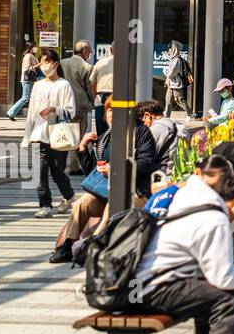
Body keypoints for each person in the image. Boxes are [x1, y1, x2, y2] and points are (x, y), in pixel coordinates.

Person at [131, 170, 234, 334]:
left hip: (143, 284)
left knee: (212, 293)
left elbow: (213, 272)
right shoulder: (216, 219)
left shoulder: (200, 204)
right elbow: (224, 278)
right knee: (228, 298)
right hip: (151, 289)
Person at [49, 96, 158, 263]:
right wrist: (83, 149)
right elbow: (93, 172)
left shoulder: (141, 132)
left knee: (112, 205)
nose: (112, 114)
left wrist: (115, 170)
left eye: (116, 110)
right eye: (109, 110)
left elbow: (146, 163)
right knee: (82, 203)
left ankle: (95, 244)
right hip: (105, 190)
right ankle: (68, 245)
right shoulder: (106, 136)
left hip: (134, 191)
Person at [20, 48, 76, 218]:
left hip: (58, 135)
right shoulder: (37, 85)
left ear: (55, 64)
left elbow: (71, 111)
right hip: (38, 134)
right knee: (39, 172)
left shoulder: (64, 85)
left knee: (58, 172)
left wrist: (55, 109)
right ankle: (45, 205)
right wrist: (27, 136)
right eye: (42, 61)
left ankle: (69, 195)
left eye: (47, 62)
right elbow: (31, 113)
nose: (44, 65)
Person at [141, 99, 181, 181]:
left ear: (147, 115)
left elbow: (145, 157)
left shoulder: (154, 130)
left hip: (163, 177)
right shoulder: (178, 125)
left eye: (142, 120)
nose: (143, 124)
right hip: (179, 175)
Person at [6, 43, 40, 120]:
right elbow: (27, 68)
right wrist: (38, 65)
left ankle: (12, 113)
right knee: (25, 98)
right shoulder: (28, 56)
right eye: (34, 47)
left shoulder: (30, 55)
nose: (35, 48)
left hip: (29, 80)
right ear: (30, 48)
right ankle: (11, 112)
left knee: (29, 98)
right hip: (27, 79)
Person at [87, 45, 114, 137]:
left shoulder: (100, 63)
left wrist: (95, 96)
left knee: (101, 131)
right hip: (117, 101)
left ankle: (101, 149)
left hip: (100, 100)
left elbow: (92, 84)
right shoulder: (127, 63)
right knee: (117, 130)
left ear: (111, 50)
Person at [163, 40, 193, 117]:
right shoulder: (173, 59)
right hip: (171, 83)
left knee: (179, 100)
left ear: (174, 49)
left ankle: (191, 113)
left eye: (170, 48)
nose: (169, 50)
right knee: (168, 99)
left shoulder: (177, 60)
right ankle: (166, 116)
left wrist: (167, 77)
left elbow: (172, 72)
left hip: (177, 84)